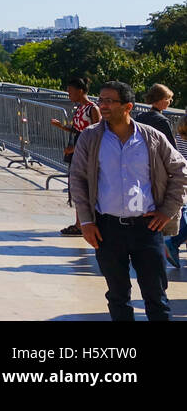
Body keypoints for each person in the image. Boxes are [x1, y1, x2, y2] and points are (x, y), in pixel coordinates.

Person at [69, 80, 187, 321]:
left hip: (147, 227)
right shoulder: (91, 138)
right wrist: (87, 222)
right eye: (101, 100)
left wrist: (168, 211)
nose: (103, 106)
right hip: (107, 228)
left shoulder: (151, 138)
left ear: (128, 106)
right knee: (118, 296)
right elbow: (78, 179)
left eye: (110, 101)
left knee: (156, 297)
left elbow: (180, 172)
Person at [51, 75, 101, 236]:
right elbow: (77, 130)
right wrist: (61, 127)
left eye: (71, 92)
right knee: (77, 187)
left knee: (83, 187)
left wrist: (75, 148)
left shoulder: (92, 108)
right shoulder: (80, 108)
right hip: (77, 149)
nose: (69, 95)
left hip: (84, 152)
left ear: (80, 91)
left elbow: (96, 133)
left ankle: (83, 224)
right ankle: (79, 223)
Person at [167, 120, 187, 269]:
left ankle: (174, 242)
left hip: (182, 173)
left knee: (185, 209)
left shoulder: (180, 134)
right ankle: (173, 242)